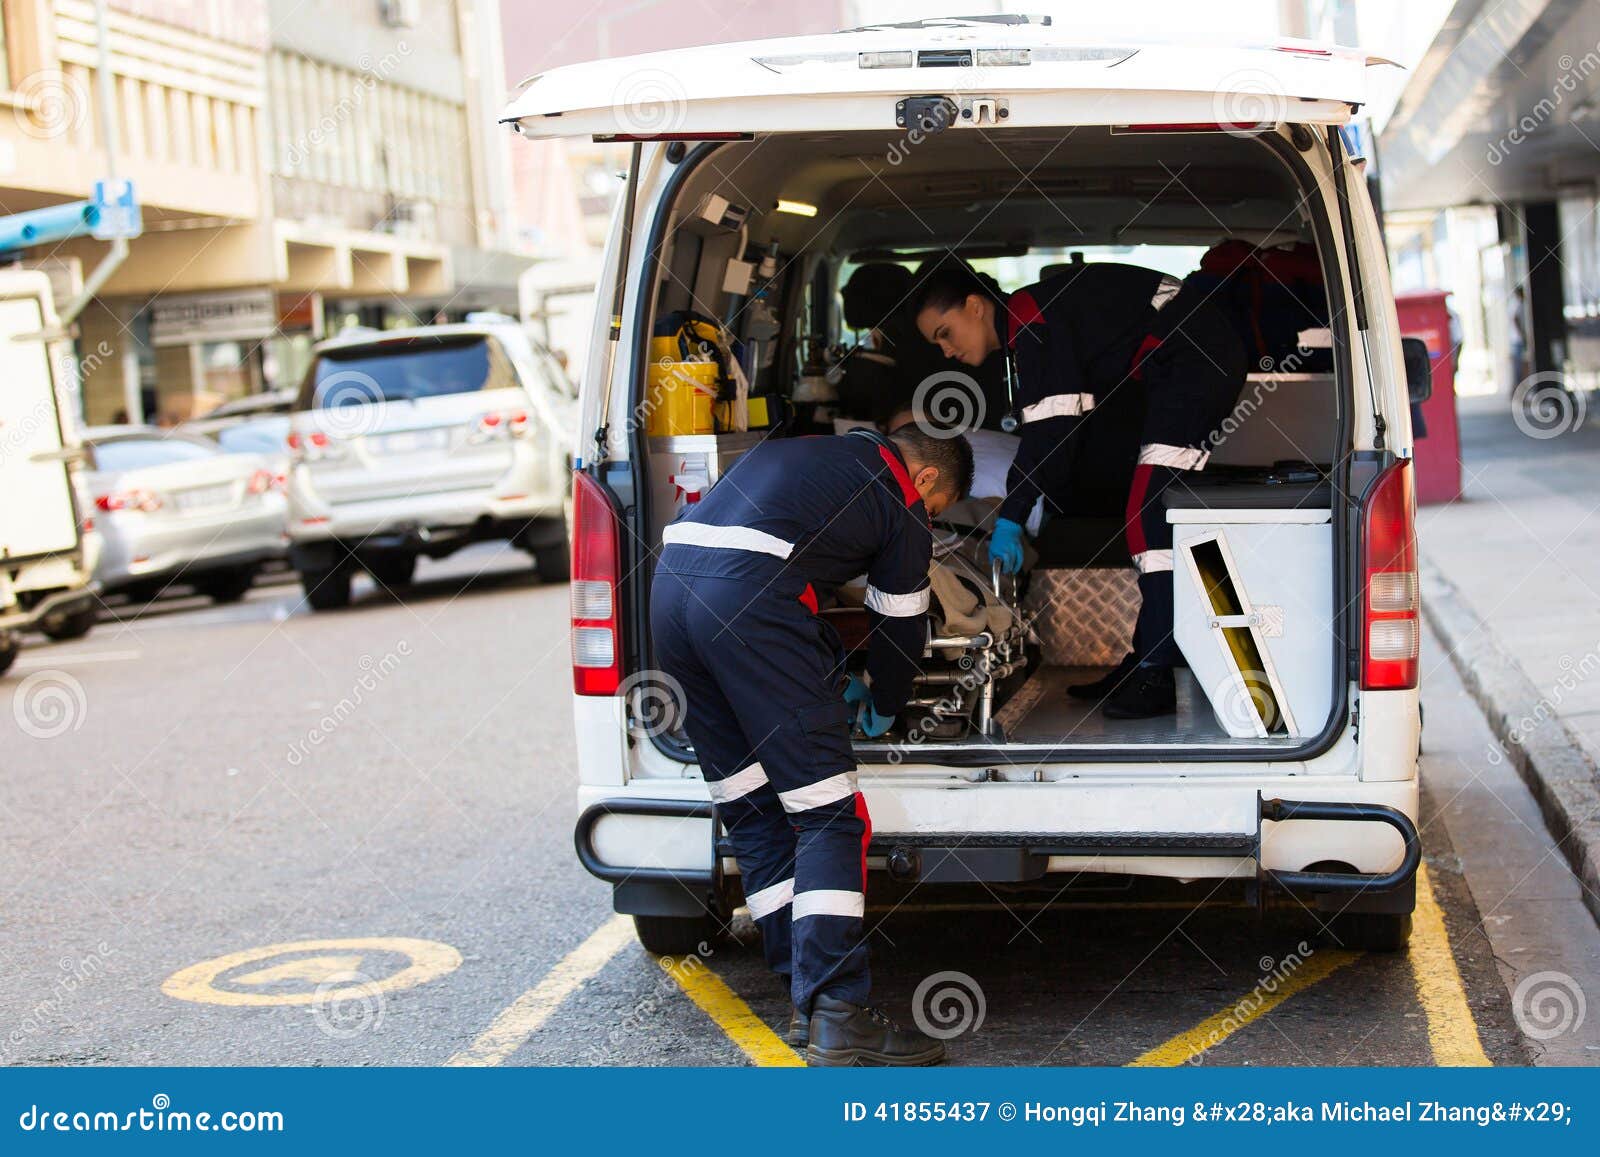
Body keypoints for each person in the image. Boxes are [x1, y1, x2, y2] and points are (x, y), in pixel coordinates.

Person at [651, 424, 973, 1066]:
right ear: (928, 479)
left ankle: (804, 997)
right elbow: (899, 626)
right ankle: (837, 1013)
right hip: (748, 606)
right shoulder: (900, 501)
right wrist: (884, 701)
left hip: (670, 595)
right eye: (936, 513)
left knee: (754, 806)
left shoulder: (803, 449)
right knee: (830, 815)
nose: (929, 524)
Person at [912, 262, 1249, 718]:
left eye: (944, 333)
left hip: (1195, 359)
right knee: (1139, 508)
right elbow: (1063, 430)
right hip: (1178, 363)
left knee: (1149, 523)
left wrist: (1011, 516)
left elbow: (1051, 433)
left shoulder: (1035, 321)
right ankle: (1143, 660)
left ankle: (1155, 674)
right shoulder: (1037, 322)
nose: (947, 351)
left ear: (975, 307)